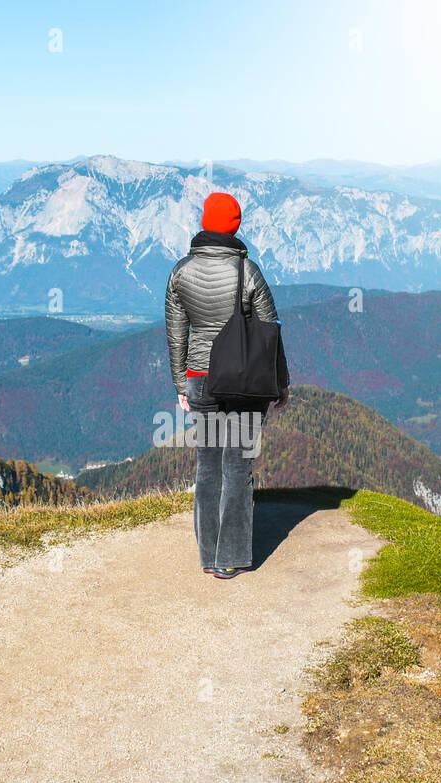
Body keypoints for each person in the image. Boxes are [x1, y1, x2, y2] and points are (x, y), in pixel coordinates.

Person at [164, 191, 289, 579]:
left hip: (201, 381)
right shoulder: (246, 272)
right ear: (235, 226)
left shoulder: (180, 272)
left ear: (204, 223)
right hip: (244, 384)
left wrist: (181, 383)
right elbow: (270, 332)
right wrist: (281, 382)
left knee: (207, 467)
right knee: (238, 468)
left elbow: (175, 334)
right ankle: (229, 558)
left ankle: (207, 553)